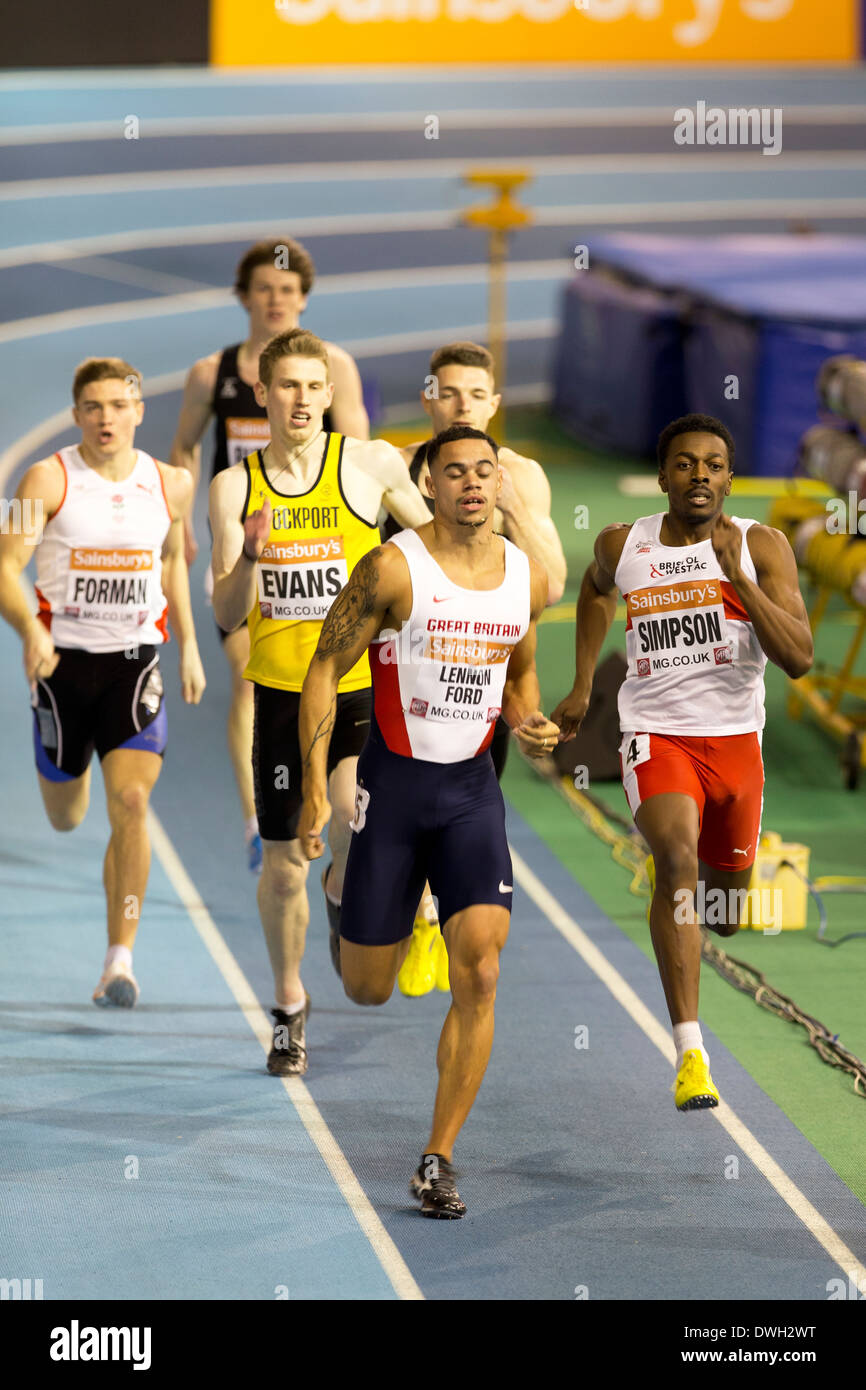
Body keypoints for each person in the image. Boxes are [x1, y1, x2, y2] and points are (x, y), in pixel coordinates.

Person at [297, 424, 559, 1217]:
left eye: (486, 471)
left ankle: (438, 1157)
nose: (475, 484)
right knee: (368, 989)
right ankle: (348, 902)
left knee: (480, 970)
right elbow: (321, 667)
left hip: (473, 794)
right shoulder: (390, 568)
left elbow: (518, 674)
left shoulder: (528, 577)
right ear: (430, 485)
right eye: (456, 472)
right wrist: (315, 788)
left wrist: (529, 719)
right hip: (395, 788)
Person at [552, 414, 813, 1110]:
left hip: (735, 745)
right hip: (656, 736)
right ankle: (690, 1053)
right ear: (664, 475)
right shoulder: (624, 543)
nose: (701, 474)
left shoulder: (764, 547)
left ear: (730, 478)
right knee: (676, 861)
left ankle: (722, 892)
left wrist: (740, 582)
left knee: (725, 912)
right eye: (686, 463)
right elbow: (594, 589)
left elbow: (799, 659)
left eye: (715, 464)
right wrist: (582, 687)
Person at [208, 328, 430, 1077]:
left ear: (331, 395)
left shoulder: (368, 466)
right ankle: (288, 1006)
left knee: (350, 825)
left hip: (355, 688)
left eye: (314, 386)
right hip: (278, 699)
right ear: (263, 394)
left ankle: (347, 897)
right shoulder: (235, 488)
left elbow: (436, 552)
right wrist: (255, 556)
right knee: (281, 869)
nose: (301, 400)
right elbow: (227, 613)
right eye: (288, 387)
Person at [0, 357, 205, 1007]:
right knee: (68, 816)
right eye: (93, 407)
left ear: (140, 410)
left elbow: (172, 562)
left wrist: (192, 644)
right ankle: (67, 774)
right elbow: (6, 564)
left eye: (119, 405)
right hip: (62, 669)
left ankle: (120, 959)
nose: (106, 417)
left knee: (134, 806)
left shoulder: (171, 483)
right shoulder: (45, 478)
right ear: (76, 415)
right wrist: (32, 631)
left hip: (134, 663)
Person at [170, 237, 369, 873]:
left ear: (303, 298)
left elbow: (360, 450)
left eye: (287, 289)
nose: (276, 299)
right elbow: (183, 449)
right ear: (245, 297)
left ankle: (330, 800)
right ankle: (261, 820)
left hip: (322, 548)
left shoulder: (332, 365)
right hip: (246, 543)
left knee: (329, 681)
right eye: (264, 289)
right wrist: (187, 522)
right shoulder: (213, 373)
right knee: (250, 684)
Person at [384, 340, 567, 995]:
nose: (463, 403)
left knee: (459, 806)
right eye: (450, 392)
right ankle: (375, 905)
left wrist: (512, 506)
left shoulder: (519, 476)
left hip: (474, 678)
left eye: (476, 394)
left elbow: (554, 584)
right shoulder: (391, 468)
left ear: (494, 403)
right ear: (430, 399)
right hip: (394, 677)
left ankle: (432, 918)